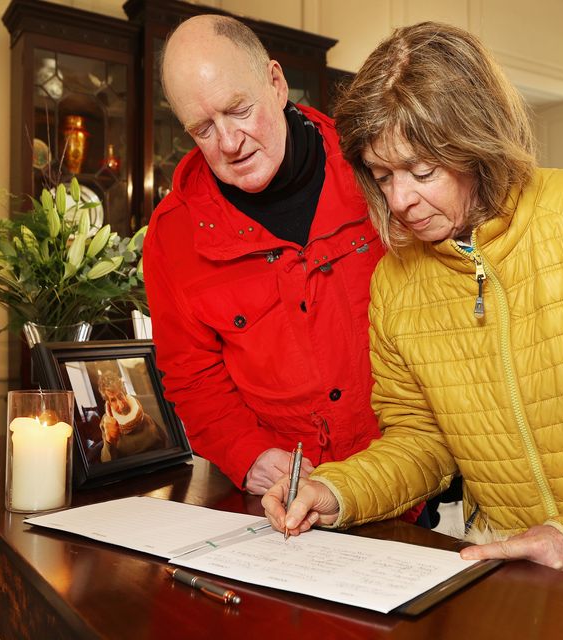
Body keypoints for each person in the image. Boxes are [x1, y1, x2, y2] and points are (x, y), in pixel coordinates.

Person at [262, 22, 563, 613]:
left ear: (479, 145)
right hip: (518, 582)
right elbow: (423, 440)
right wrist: (338, 490)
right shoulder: (394, 283)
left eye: (422, 172)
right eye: (383, 175)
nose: (398, 202)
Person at [144, 14, 424, 520]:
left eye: (238, 110)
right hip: (283, 505)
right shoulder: (172, 236)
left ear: (275, 83)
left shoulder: (374, 167)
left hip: (405, 486)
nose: (229, 142)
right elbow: (192, 378)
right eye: (204, 129)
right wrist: (247, 455)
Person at [97, 371, 167, 462]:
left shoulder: (143, 407)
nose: (121, 405)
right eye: (113, 400)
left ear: (125, 393)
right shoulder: (107, 422)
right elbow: (106, 462)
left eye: (120, 396)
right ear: (108, 403)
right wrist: (110, 441)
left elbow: (165, 439)